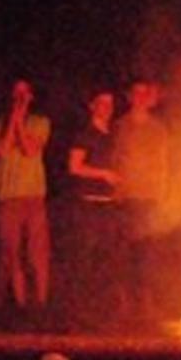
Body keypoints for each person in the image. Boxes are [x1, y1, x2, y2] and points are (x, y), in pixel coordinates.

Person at [0, 78, 52, 326]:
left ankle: (41, 305)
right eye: (16, 92)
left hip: (33, 197)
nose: (20, 96)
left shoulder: (40, 123)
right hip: (8, 197)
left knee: (37, 253)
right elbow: (3, 150)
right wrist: (14, 121)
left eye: (24, 92)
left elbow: (29, 149)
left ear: (31, 96)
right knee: (11, 253)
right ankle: (19, 305)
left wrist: (19, 123)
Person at [113, 79, 173, 323]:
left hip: (149, 197)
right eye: (136, 93)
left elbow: (164, 162)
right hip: (125, 196)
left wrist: (162, 191)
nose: (140, 97)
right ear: (129, 97)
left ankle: (146, 304)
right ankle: (123, 303)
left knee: (147, 255)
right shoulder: (119, 126)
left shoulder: (159, 128)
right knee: (123, 253)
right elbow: (113, 158)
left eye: (144, 93)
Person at [64, 88, 121, 330]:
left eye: (110, 103)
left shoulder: (112, 134)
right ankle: (77, 314)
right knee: (84, 261)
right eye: (102, 103)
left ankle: (100, 312)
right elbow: (74, 167)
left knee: (104, 261)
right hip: (87, 204)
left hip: (107, 205)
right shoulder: (85, 134)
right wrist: (103, 174)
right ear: (92, 106)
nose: (107, 108)